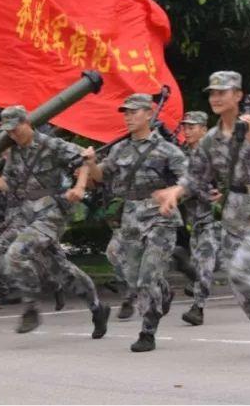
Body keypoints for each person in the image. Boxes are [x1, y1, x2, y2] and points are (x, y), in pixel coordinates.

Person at [155, 71, 250, 358]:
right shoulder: (210, 139)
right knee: (238, 284)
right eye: (212, 93)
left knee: (242, 268)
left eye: (223, 92)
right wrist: (175, 192)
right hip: (233, 211)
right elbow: (195, 176)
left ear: (238, 95)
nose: (216, 97)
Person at [0, 106, 110, 339]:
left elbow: (85, 158)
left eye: (15, 129)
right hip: (26, 215)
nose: (12, 134)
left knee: (16, 252)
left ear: (26, 123)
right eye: (8, 132)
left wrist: (80, 187)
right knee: (60, 268)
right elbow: (8, 184)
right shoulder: (14, 152)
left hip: (50, 214)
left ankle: (31, 307)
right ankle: (97, 307)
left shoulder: (50, 145)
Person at [87, 95, 187, 352]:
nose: (128, 117)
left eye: (133, 112)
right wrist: (90, 164)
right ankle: (163, 292)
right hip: (131, 216)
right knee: (133, 277)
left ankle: (147, 331)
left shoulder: (168, 150)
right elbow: (101, 176)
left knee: (146, 278)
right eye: (125, 113)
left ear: (149, 113)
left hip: (160, 217)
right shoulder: (120, 149)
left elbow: (188, 180)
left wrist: (173, 194)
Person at [178, 110, 221, 326]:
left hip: (214, 219)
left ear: (204, 130)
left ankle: (198, 308)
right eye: (185, 127)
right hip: (194, 221)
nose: (187, 130)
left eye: (192, 127)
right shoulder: (181, 155)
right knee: (201, 262)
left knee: (204, 261)